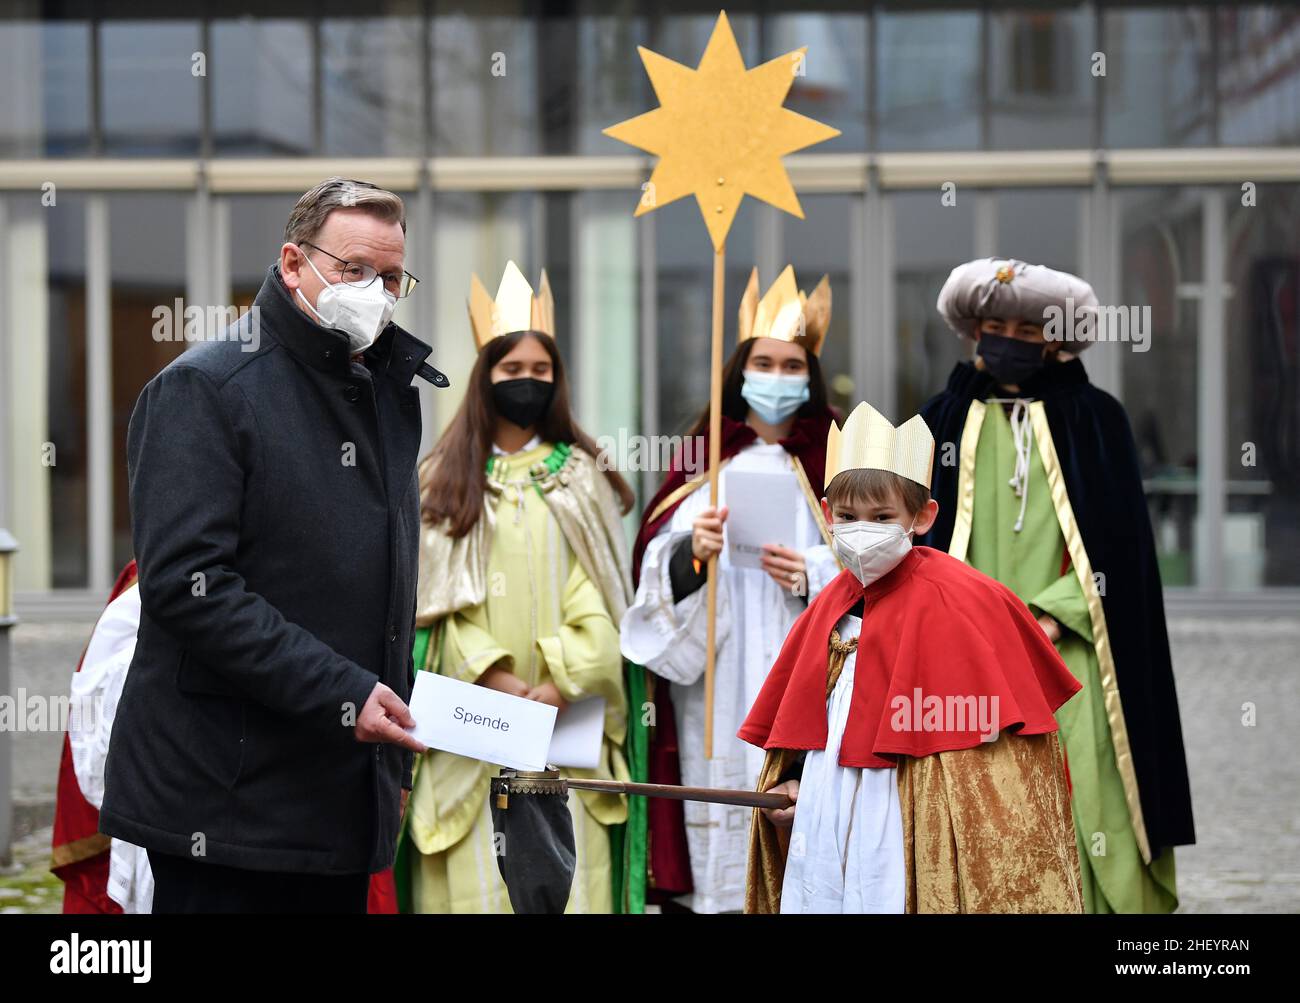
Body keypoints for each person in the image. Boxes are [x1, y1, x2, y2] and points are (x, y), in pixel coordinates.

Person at [99, 177, 442, 914]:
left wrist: (388, 735)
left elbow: (381, 582)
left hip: (339, 790)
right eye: (353, 269)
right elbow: (191, 587)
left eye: (390, 277)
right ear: (293, 263)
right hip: (226, 798)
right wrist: (346, 692)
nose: (375, 292)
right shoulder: (207, 388)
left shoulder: (381, 387)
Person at [917, 257, 1195, 913]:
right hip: (968, 657)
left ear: (1056, 335)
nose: (1009, 337)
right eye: (995, 323)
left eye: (1026, 326)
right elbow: (920, 540)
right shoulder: (939, 420)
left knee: (1086, 787)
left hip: (1072, 648)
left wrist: (1052, 617)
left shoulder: (1096, 419)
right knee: (978, 792)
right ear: (971, 330)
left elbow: (1119, 550)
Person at [740, 401, 1084, 913]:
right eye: (848, 517)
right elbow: (802, 723)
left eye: (882, 517)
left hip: (908, 810)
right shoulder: (830, 604)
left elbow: (996, 769)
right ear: (828, 514)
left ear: (922, 517)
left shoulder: (966, 601)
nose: (862, 530)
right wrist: (793, 781)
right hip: (828, 805)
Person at [400, 261, 636, 914]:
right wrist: (496, 677)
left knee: (571, 886)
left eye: (540, 372)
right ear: (486, 378)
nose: (527, 383)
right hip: (475, 728)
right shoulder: (443, 479)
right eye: (512, 372)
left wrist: (560, 680)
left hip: (567, 731)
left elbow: (602, 595)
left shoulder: (583, 476)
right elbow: (434, 607)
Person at [621, 266, 841, 913]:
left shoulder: (838, 454)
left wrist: (814, 575)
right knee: (721, 869)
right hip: (717, 688)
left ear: (811, 373)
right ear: (741, 370)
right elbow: (655, 559)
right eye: (764, 361)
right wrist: (694, 555)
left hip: (812, 678)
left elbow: (881, 569)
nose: (776, 376)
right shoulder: (704, 455)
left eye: (791, 363)